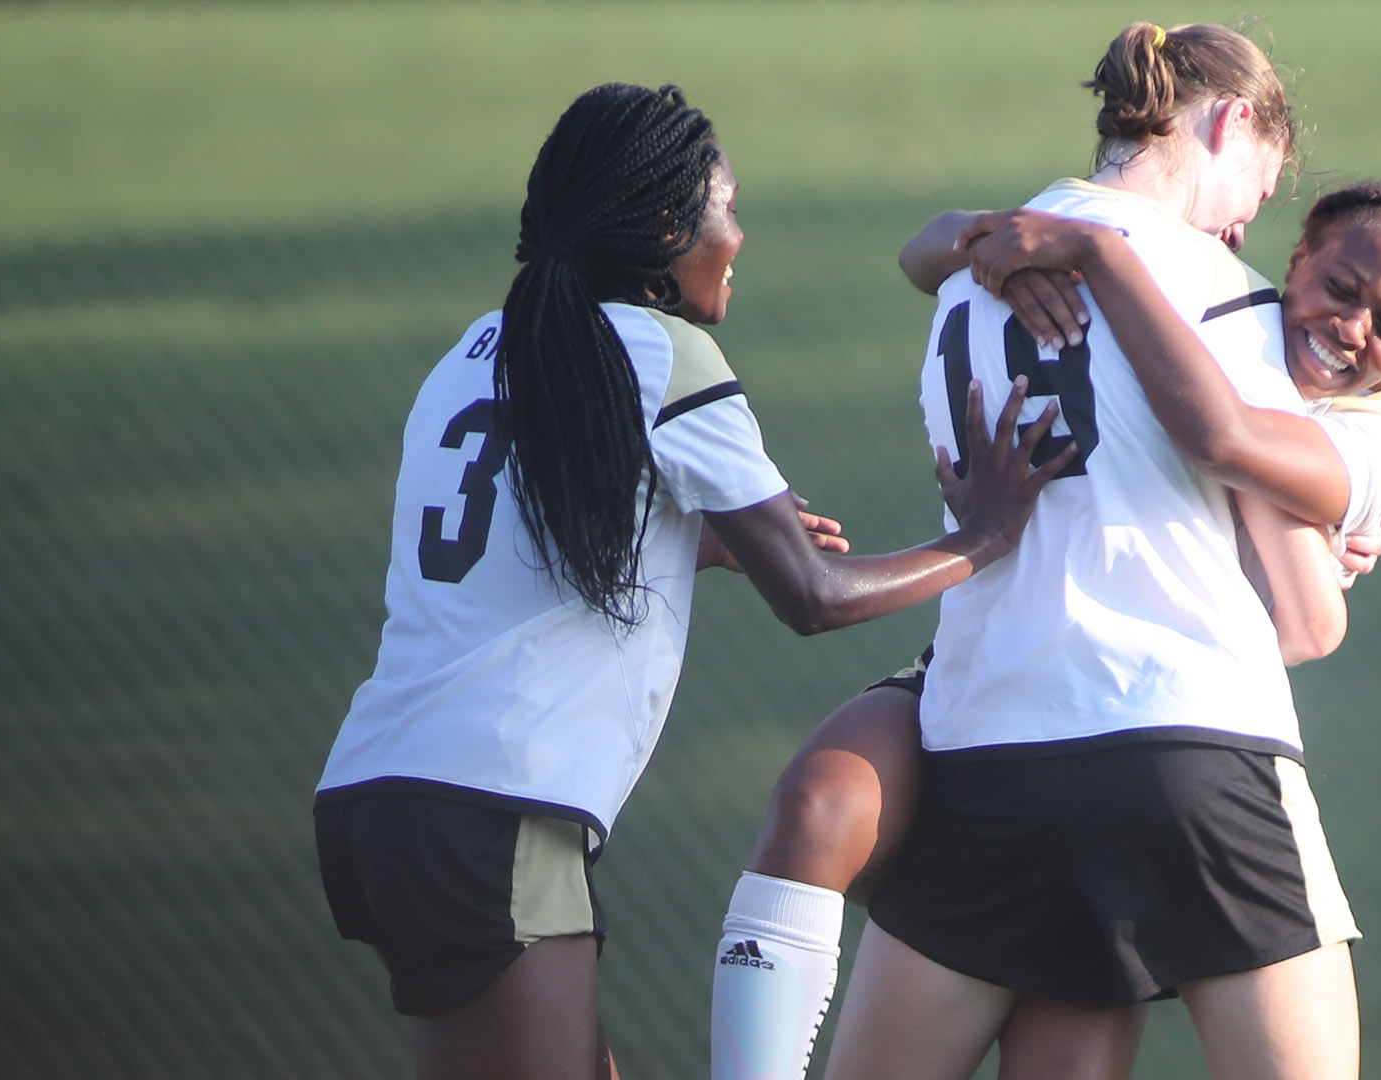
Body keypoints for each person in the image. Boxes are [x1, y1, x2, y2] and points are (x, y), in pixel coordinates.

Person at [312, 82, 1076, 1080]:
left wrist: (693, 544)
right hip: (493, 812)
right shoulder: (663, 352)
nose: (740, 236)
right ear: (669, 228)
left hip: (383, 794)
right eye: (729, 209)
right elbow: (813, 596)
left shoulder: (477, 350)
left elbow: (517, 543)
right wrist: (984, 536)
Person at [809, 21, 1381, 1079]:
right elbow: (1305, 613)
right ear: (1233, 122)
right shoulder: (1241, 307)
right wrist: (1311, 542)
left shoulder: (978, 264)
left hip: (987, 746)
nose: (1249, 217)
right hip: (1188, 737)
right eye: (1264, 186)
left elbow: (922, 253)